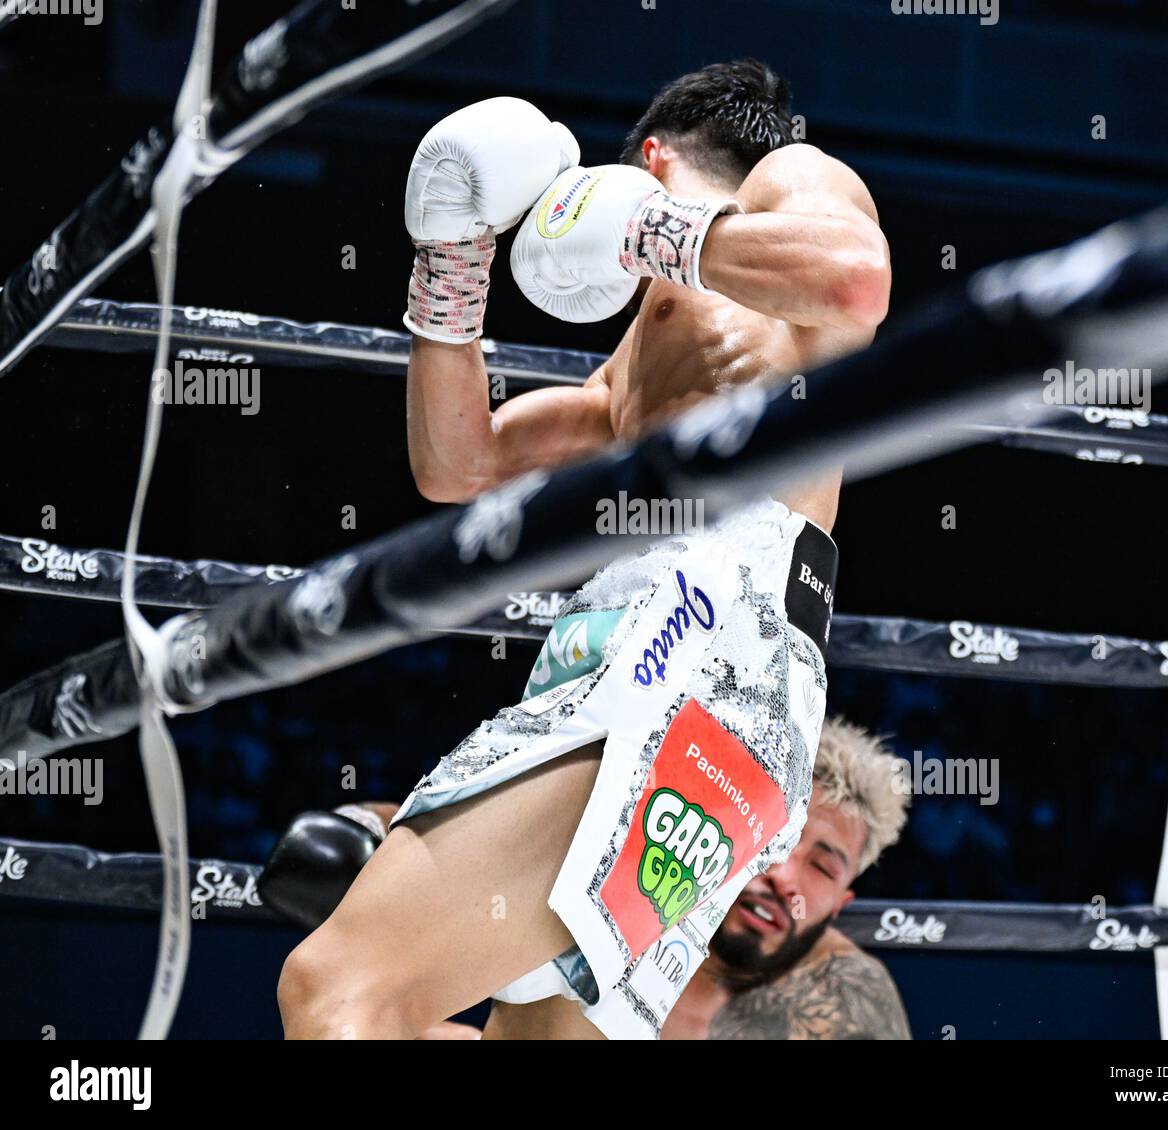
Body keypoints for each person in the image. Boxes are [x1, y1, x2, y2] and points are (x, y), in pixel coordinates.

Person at [277, 58, 890, 1040]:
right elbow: (458, 468)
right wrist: (450, 266)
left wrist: (655, 226)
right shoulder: (635, 373)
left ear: (651, 159)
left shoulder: (787, 179)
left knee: (339, 985)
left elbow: (853, 280)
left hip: (696, 643)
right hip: (701, 684)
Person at [263, 718, 912, 1040]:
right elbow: (493, 835)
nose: (783, 876)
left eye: (822, 865)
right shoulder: (633, 862)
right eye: (781, 846)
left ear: (843, 900)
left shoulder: (842, 998)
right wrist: (368, 829)